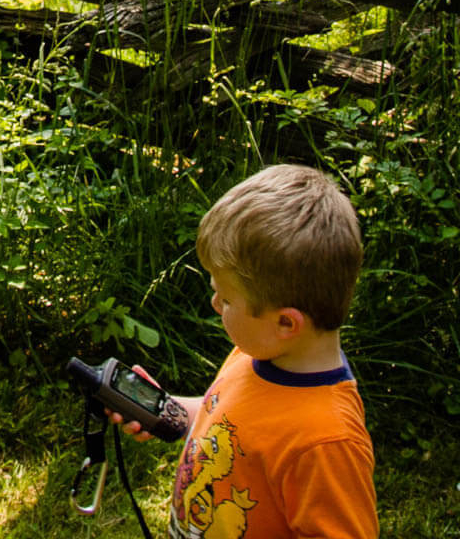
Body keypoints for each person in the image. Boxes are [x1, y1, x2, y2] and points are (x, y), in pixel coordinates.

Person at [109, 163, 376, 538]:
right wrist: (168, 410)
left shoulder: (326, 442)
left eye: (227, 298)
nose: (215, 303)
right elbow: (227, 422)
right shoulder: (256, 355)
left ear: (286, 323)